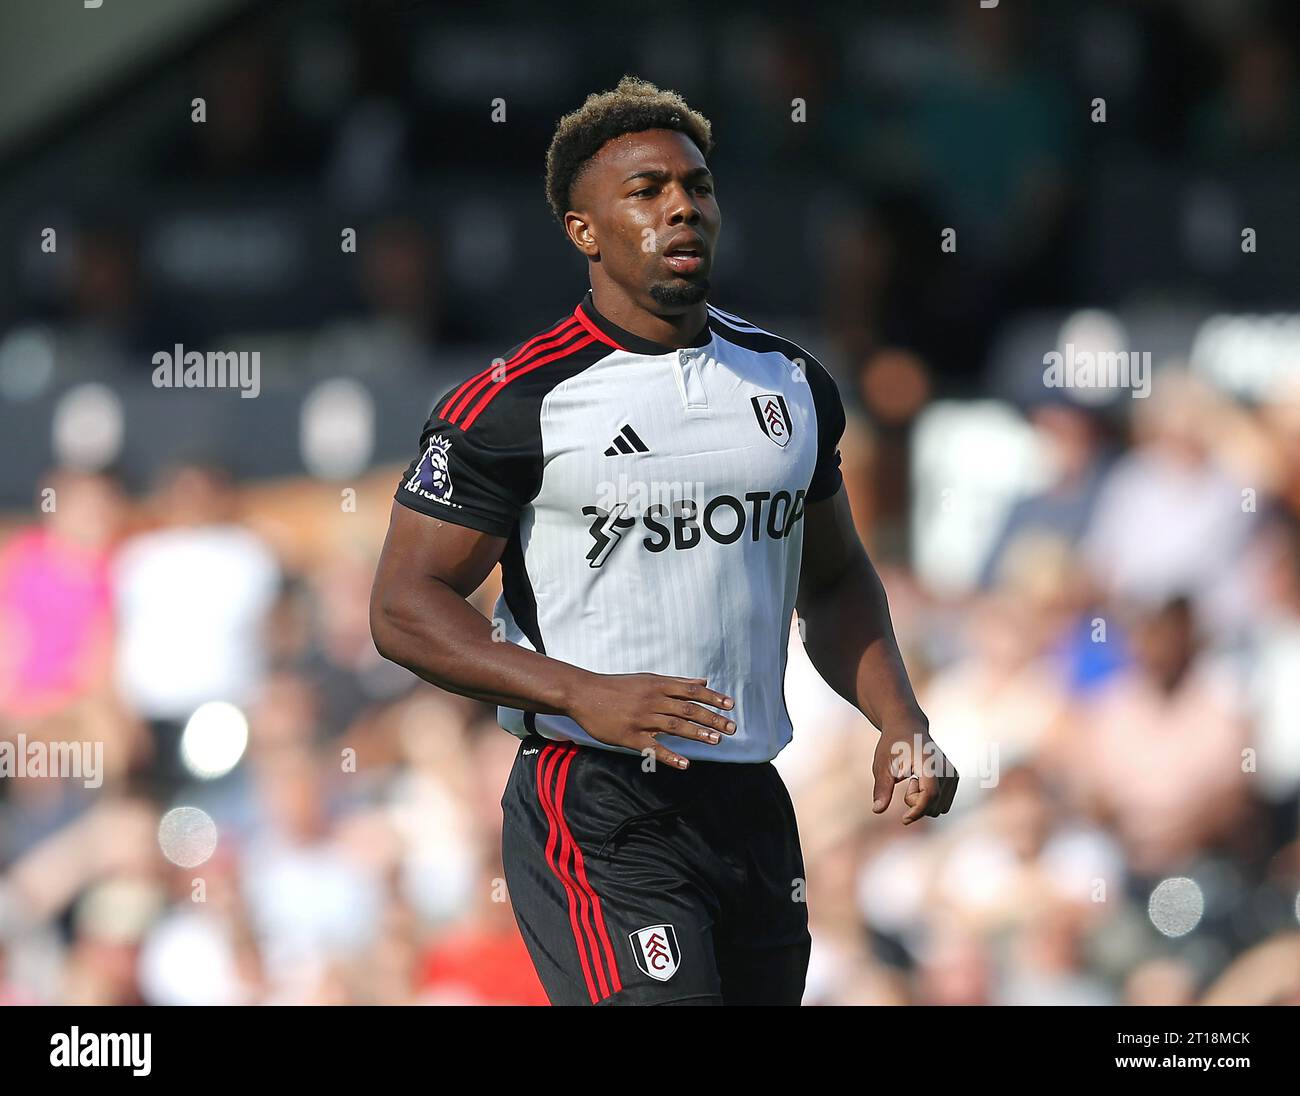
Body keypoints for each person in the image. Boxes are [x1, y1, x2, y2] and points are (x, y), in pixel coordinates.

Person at [370, 76, 957, 1006]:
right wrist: (578, 692)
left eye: (698, 186)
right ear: (583, 229)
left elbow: (837, 579)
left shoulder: (792, 385)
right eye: (646, 191)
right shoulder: (516, 403)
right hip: (594, 796)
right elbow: (404, 606)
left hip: (752, 804)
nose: (681, 206)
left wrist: (900, 720)